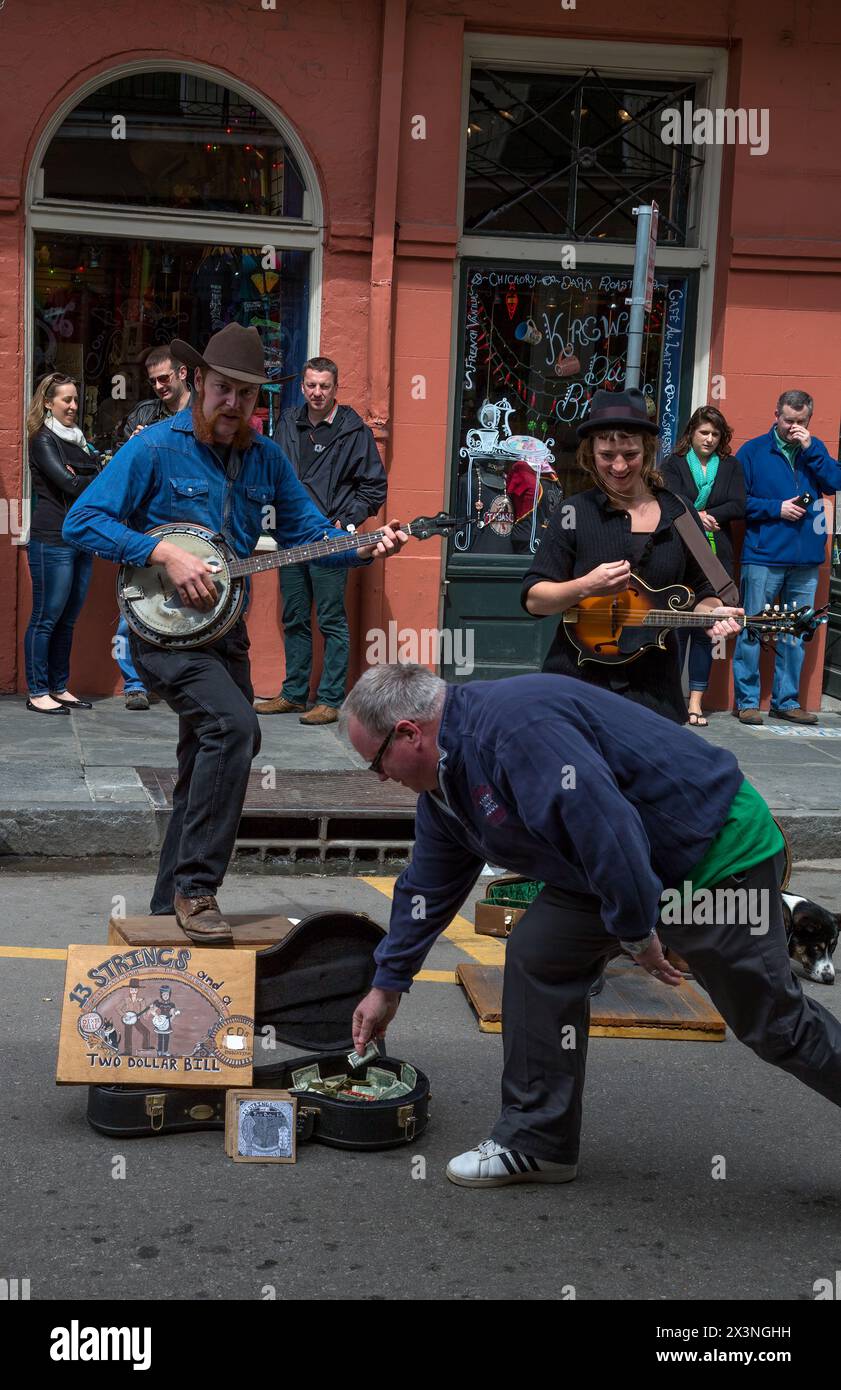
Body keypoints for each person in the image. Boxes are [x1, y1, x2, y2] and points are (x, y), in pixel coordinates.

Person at [344, 662, 841, 1188]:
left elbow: (607, 828)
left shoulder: (515, 730)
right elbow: (429, 883)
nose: (380, 777)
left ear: (408, 733)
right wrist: (388, 983)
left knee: (773, 1023)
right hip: (612, 868)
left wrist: (635, 931)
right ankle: (538, 1142)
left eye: (375, 762)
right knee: (541, 955)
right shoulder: (445, 779)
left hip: (710, 855)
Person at [63, 324, 407, 943]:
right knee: (234, 729)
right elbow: (80, 521)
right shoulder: (154, 448)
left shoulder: (266, 458)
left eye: (248, 396)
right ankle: (199, 889)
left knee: (205, 764)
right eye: (224, 390)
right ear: (198, 382)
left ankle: (166, 905)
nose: (234, 405)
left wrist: (364, 547)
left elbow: (309, 539)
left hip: (226, 636)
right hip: (164, 636)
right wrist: (161, 551)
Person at [521, 389, 742, 724]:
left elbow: (703, 589)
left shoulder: (679, 512)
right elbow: (535, 600)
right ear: (590, 453)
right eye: (607, 454)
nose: (619, 466)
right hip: (577, 685)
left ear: (648, 450)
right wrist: (585, 586)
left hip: (654, 694)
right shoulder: (573, 512)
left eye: (630, 453)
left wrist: (713, 615)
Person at [255, 357, 387, 726]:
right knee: (294, 616)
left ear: (335, 388)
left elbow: (374, 484)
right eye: (311, 385)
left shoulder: (353, 430)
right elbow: (272, 470)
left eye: (324, 386)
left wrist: (347, 519)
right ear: (302, 387)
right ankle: (294, 694)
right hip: (292, 537)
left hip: (330, 539)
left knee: (330, 619)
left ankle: (330, 699)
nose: (317, 392)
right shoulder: (287, 422)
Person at [732, 389, 841, 725]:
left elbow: (834, 482)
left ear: (809, 419)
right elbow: (738, 502)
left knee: (796, 632)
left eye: (801, 421)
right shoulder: (752, 451)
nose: (794, 426)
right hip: (763, 554)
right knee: (752, 629)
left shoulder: (815, 449)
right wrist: (775, 508)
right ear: (775, 414)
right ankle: (748, 701)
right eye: (788, 420)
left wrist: (812, 451)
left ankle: (786, 700)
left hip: (805, 559)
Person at [116, 347, 193, 710]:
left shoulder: (202, 414)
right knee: (134, 606)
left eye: (165, 378)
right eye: (153, 381)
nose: (159, 386)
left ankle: (174, 682)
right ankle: (134, 684)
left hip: (191, 528)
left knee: (183, 609)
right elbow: (118, 465)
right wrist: (135, 444)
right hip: (147, 529)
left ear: (183, 373)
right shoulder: (143, 415)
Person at [662, 406, 746, 726]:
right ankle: (672, 698)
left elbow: (739, 503)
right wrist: (697, 516)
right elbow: (669, 498)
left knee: (706, 631)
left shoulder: (730, 466)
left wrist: (713, 516)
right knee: (678, 629)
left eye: (715, 434)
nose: (709, 439)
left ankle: (695, 702)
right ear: (691, 434)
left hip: (716, 557)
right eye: (704, 433)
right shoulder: (673, 464)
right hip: (680, 554)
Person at [24, 372, 101, 714]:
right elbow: (69, 484)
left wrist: (86, 472)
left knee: (68, 619)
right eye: (65, 400)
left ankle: (58, 686)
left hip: (80, 538)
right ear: (48, 403)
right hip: (52, 539)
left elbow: (84, 475)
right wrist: (93, 473)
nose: (73, 405)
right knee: (46, 617)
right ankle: (38, 691)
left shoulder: (78, 439)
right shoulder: (42, 439)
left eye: (74, 399)